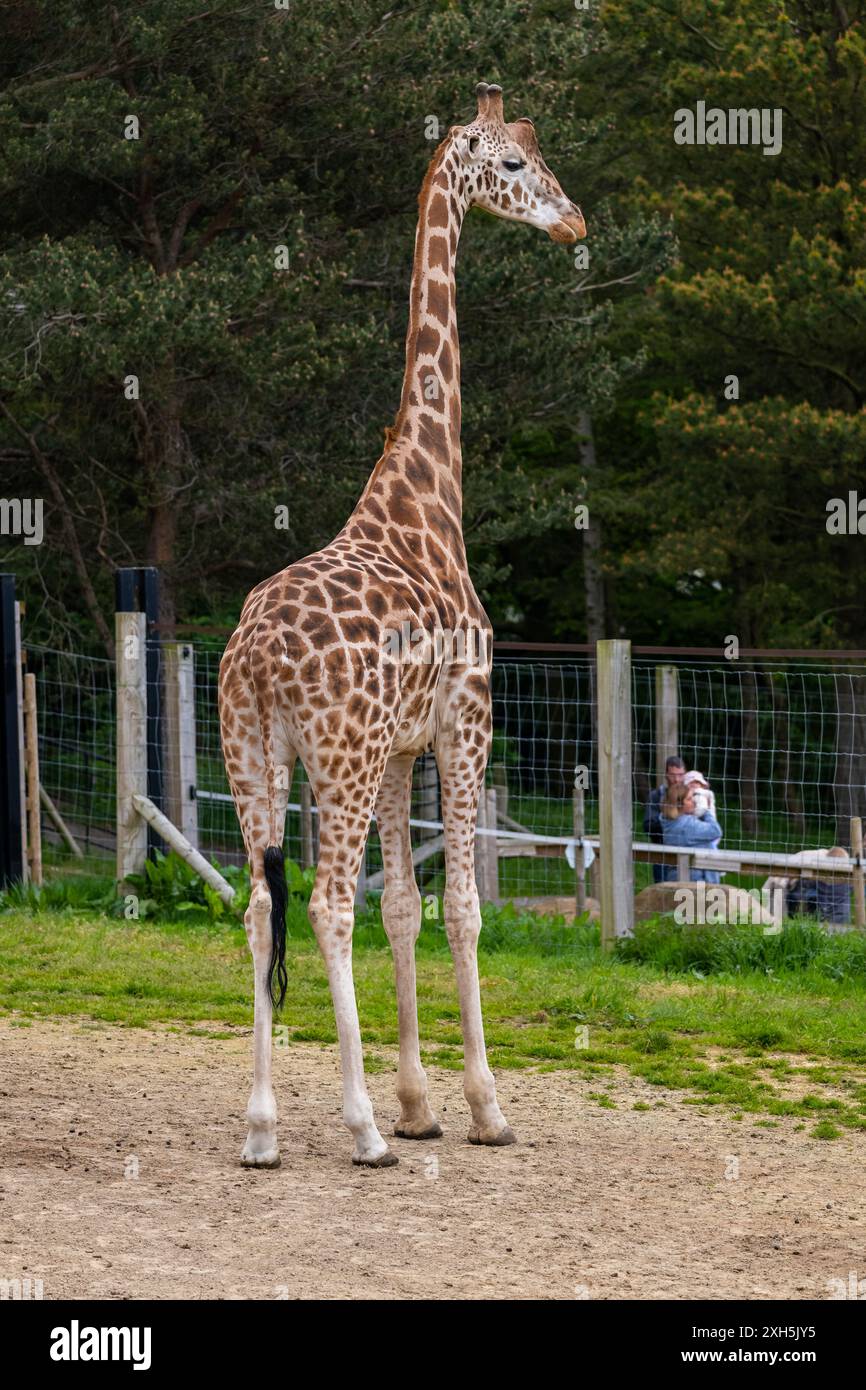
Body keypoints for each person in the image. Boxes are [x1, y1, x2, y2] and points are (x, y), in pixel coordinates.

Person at [661, 782, 723, 883]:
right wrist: (705, 810)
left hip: (675, 877)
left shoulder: (668, 823)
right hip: (696, 882)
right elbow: (715, 831)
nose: (694, 802)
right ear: (679, 804)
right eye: (689, 799)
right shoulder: (687, 826)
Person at [644, 756, 685, 882]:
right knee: (662, 896)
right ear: (666, 774)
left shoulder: (690, 795)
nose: (676, 779)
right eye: (673, 775)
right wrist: (668, 818)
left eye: (680, 775)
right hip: (662, 854)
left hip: (687, 853)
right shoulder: (656, 796)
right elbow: (648, 826)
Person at [683, 769, 720, 851]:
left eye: (697, 782)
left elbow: (701, 810)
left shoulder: (701, 794)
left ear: (702, 785)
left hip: (705, 824)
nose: (694, 785)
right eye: (691, 783)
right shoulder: (690, 795)